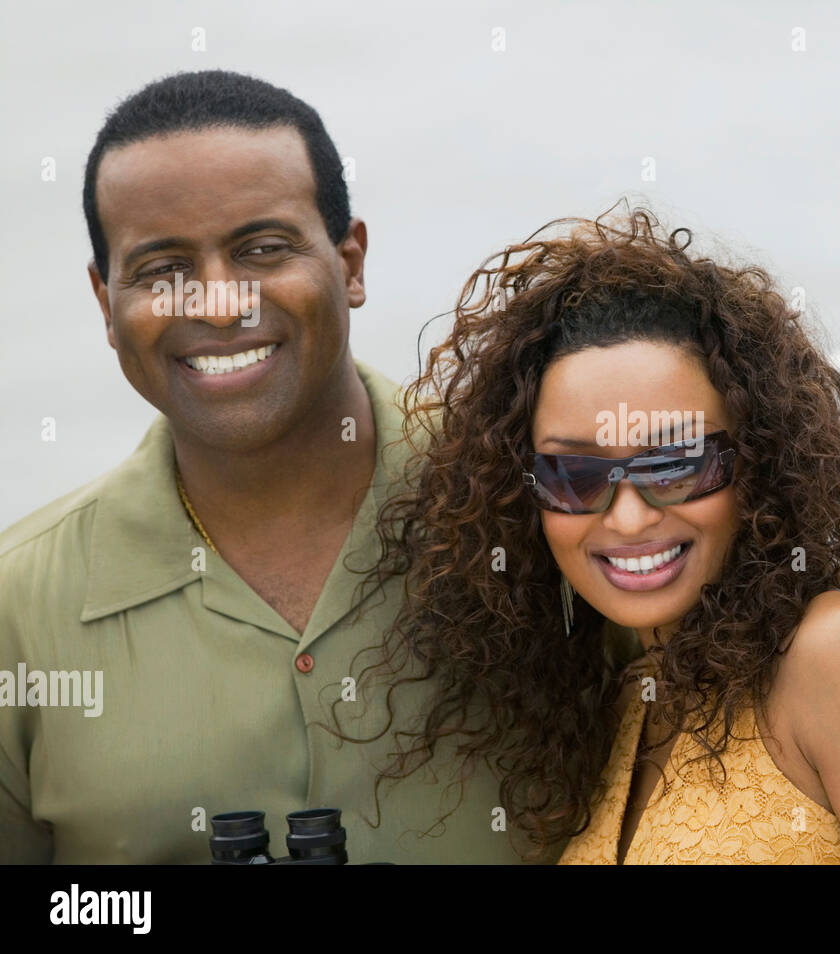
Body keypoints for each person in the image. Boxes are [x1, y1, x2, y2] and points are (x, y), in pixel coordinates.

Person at [0, 70, 538, 864]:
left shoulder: (548, 513)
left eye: (263, 249)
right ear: (104, 302)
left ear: (350, 262)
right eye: (162, 269)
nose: (219, 304)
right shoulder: (18, 609)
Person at [364, 205, 840, 863]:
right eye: (575, 475)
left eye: (675, 465)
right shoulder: (621, 699)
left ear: (758, 461)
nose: (628, 516)